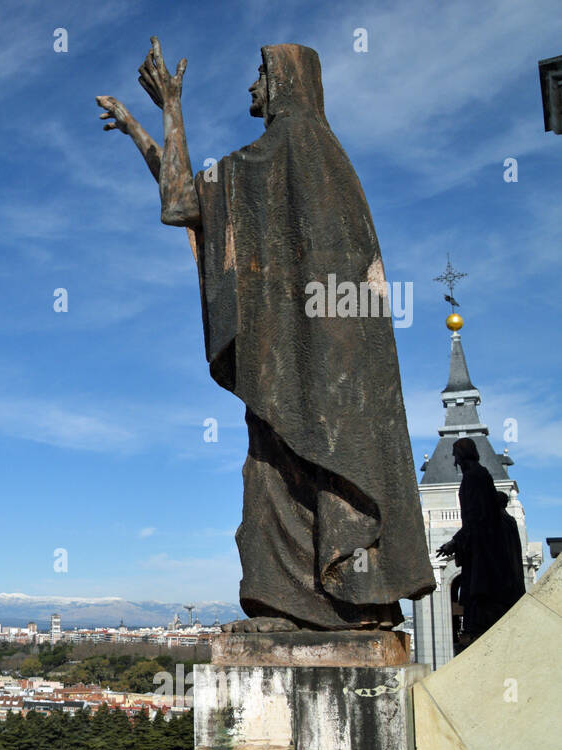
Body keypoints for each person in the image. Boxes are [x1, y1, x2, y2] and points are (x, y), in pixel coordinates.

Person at [97, 40, 434, 631]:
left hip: (301, 362)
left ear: (282, 81)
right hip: (322, 361)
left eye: (260, 74)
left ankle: (300, 604)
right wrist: (139, 132)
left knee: (274, 469)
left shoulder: (281, 149)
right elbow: (198, 202)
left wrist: (172, 108)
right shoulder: (320, 152)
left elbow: (182, 202)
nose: (252, 86)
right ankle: (345, 599)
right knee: (293, 467)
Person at [436, 439, 523, 650]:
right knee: (477, 595)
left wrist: (454, 542)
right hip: (479, 547)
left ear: (463, 455)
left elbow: (477, 518)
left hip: (482, 551)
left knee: (479, 595)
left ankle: (476, 633)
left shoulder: (475, 477)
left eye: (456, 454)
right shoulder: (478, 475)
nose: (454, 459)